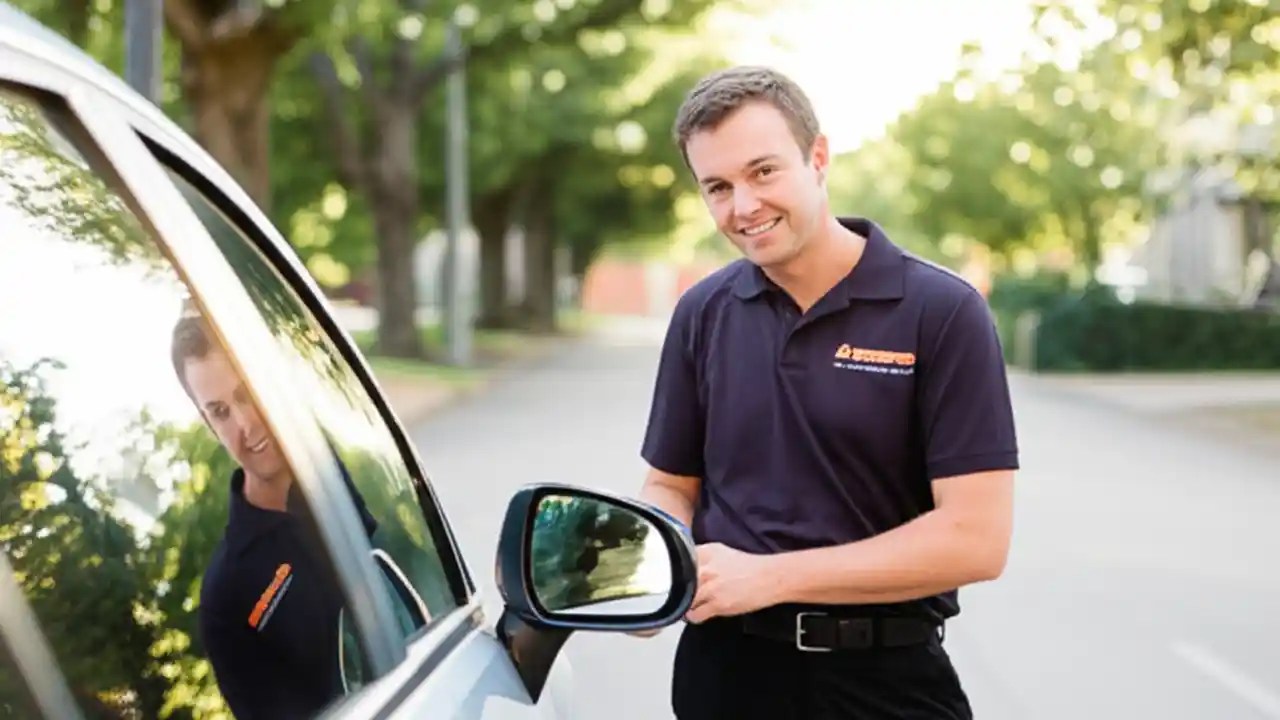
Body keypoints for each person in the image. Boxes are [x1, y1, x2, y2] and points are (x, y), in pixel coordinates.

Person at [637, 66, 1019, 719]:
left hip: (885, 682)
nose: (744, 207)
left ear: (818, 157)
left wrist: (770, 576)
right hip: (725, 677)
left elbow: (975, 540)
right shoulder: (702, 312)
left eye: (763, 172)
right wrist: (655, 571)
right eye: (718, 187)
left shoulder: (941, 311)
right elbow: (671, 486)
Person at [170, 314, 376, 719]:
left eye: (246, 393)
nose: (245, 424)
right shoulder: (227, 593)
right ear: (206, 422)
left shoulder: (330, 478)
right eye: (220, 411)